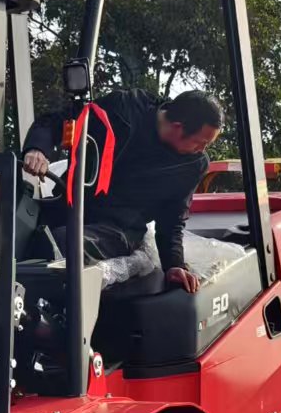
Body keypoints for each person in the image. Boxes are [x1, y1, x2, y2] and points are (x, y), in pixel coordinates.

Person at [21, 88, 224, 294]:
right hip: (71, 205)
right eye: (201, 143)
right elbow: (58, 120)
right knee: (13, 229)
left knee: (60, 244)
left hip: (119, 229)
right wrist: (37, 149)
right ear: (178, 127)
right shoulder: (124, 108)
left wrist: (175, 265)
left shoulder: (193, 165)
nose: (202, 150)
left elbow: (172, 220)